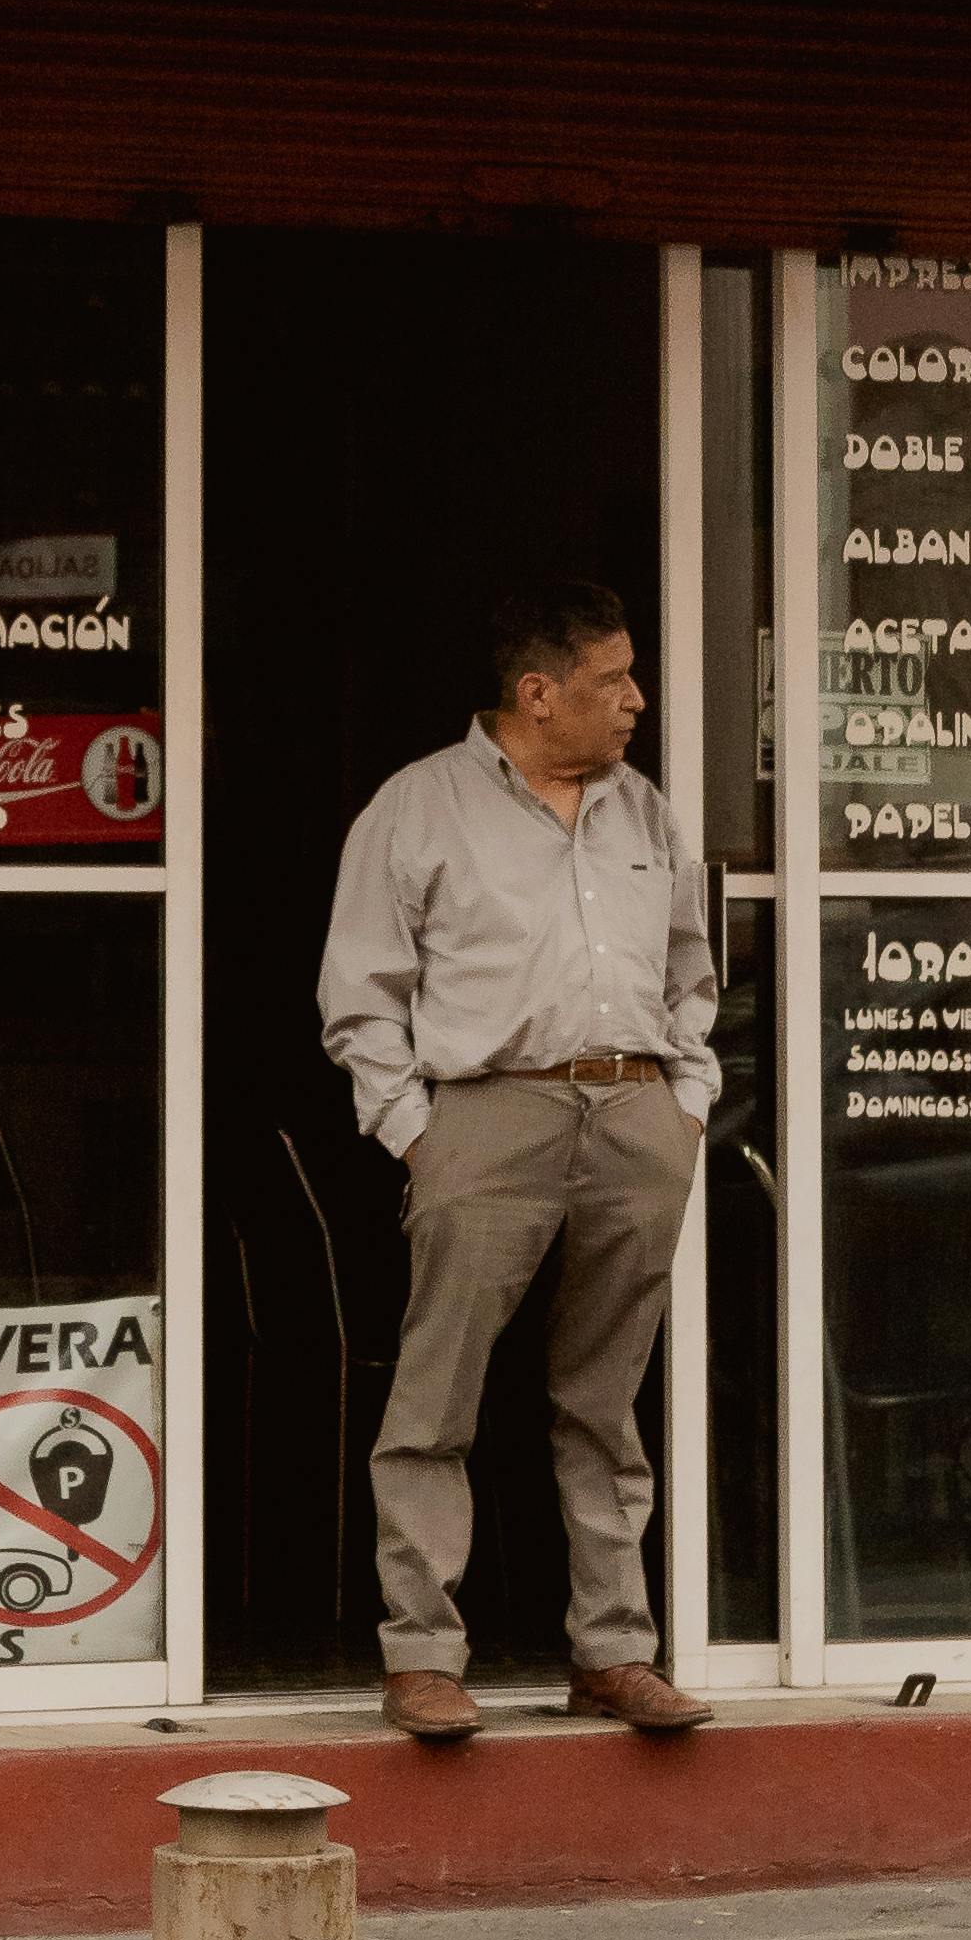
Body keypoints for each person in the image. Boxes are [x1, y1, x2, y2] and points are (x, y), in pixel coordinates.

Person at [316, 577, 720, 1743]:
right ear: (538, 694)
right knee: (437, 1397)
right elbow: (360, 992)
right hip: (486, 1116)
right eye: (614, 679)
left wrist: (686, 1101)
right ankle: (423, 1655)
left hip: (637, 1116)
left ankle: (613, 1650)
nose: (638, 699)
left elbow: (691, 971)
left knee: (605, 1401)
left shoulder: (643, 811)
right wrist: (415, 1127)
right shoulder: (419, 806)